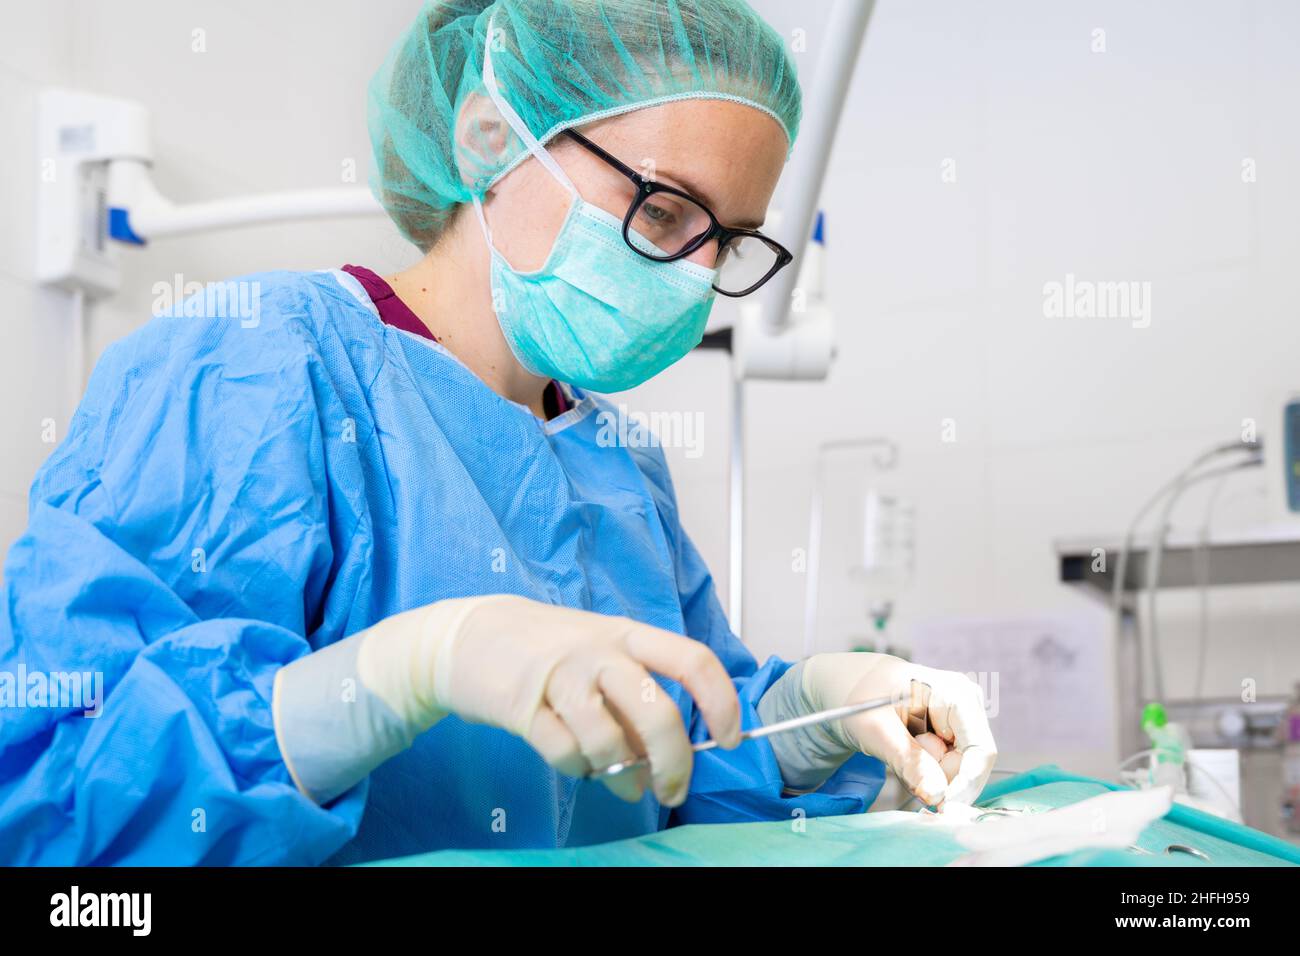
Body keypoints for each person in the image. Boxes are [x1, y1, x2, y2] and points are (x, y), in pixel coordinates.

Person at [0, 0, 995, 865]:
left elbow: (679, 765)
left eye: (726, 241)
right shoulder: (254, 364)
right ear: (489, 137)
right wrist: (403, 670)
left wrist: (820, 711)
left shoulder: (616, 461)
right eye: (662, 214)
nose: (696, 276)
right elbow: (63, 804)